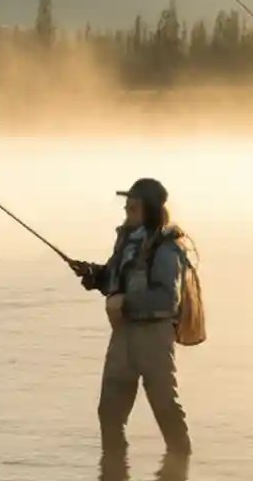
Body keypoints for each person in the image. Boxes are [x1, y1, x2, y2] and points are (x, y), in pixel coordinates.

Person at [70, 178, 192, 457]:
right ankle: (113, 469)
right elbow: (113, 278)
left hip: (154, 337)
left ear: (148, 210)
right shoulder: (126, 241)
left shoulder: (167, 248)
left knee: (165, 407)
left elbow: (166, 299)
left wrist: (124, 300)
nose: (126, 210)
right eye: (127, 206)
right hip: (123, 335)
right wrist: (94, 275)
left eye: (132, 207)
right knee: (109, 413)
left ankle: (180, 466)